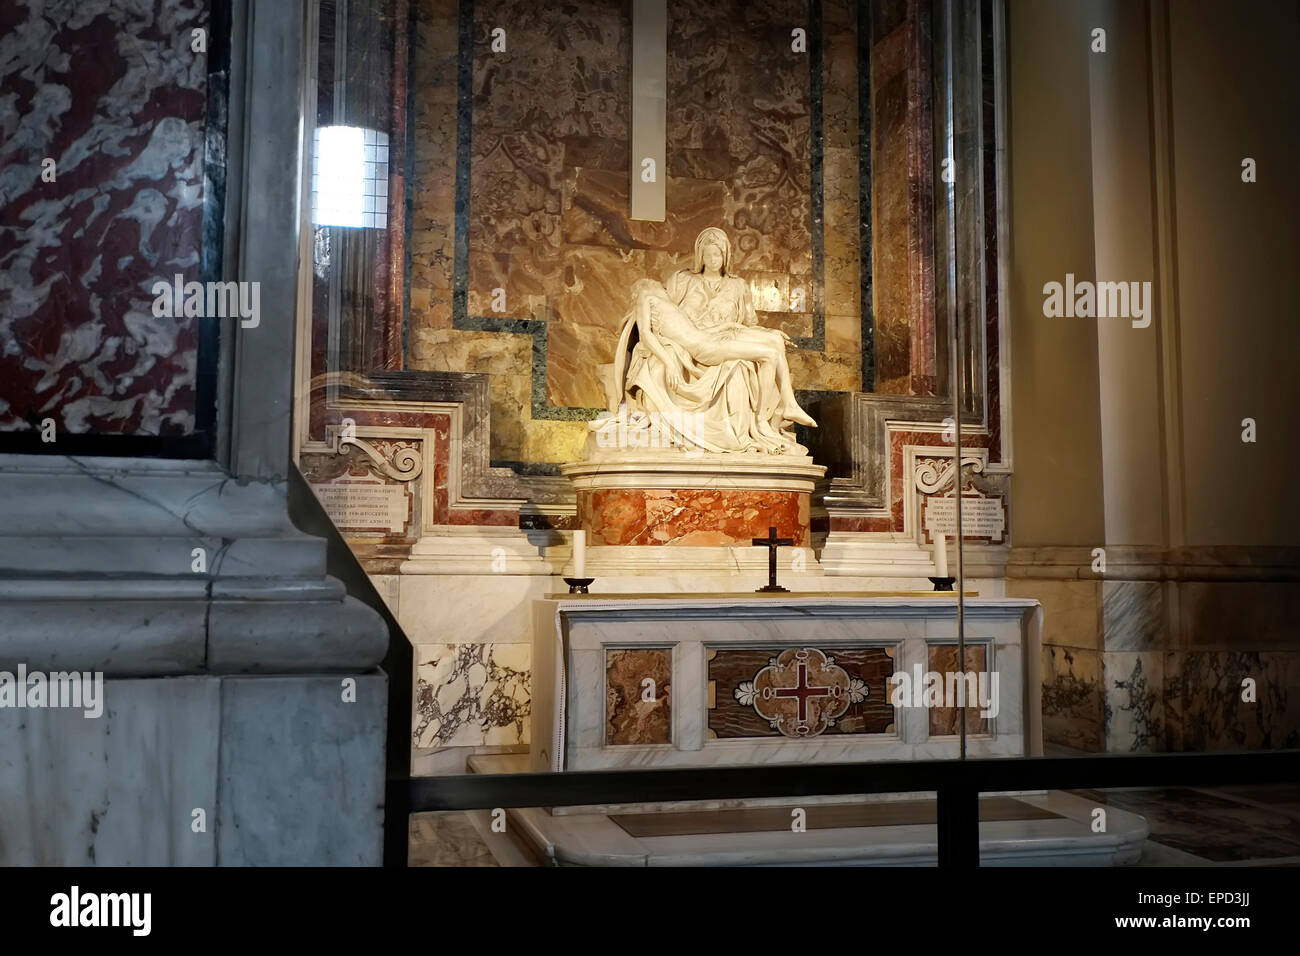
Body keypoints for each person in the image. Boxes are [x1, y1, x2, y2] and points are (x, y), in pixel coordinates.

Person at [605, 227, 817, 455]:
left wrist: (753, 329)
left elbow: (748, 323)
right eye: (708, 254)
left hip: (725, 336)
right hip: (694, 346)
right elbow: (658, 321)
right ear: (700, 256)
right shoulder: (681, 281)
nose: (713, 259)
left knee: (774, 339)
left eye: (717, 254)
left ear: (725, 255)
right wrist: (665, 354)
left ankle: (770, 416)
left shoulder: (738, 286)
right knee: (751, 361)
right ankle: (768, 417)